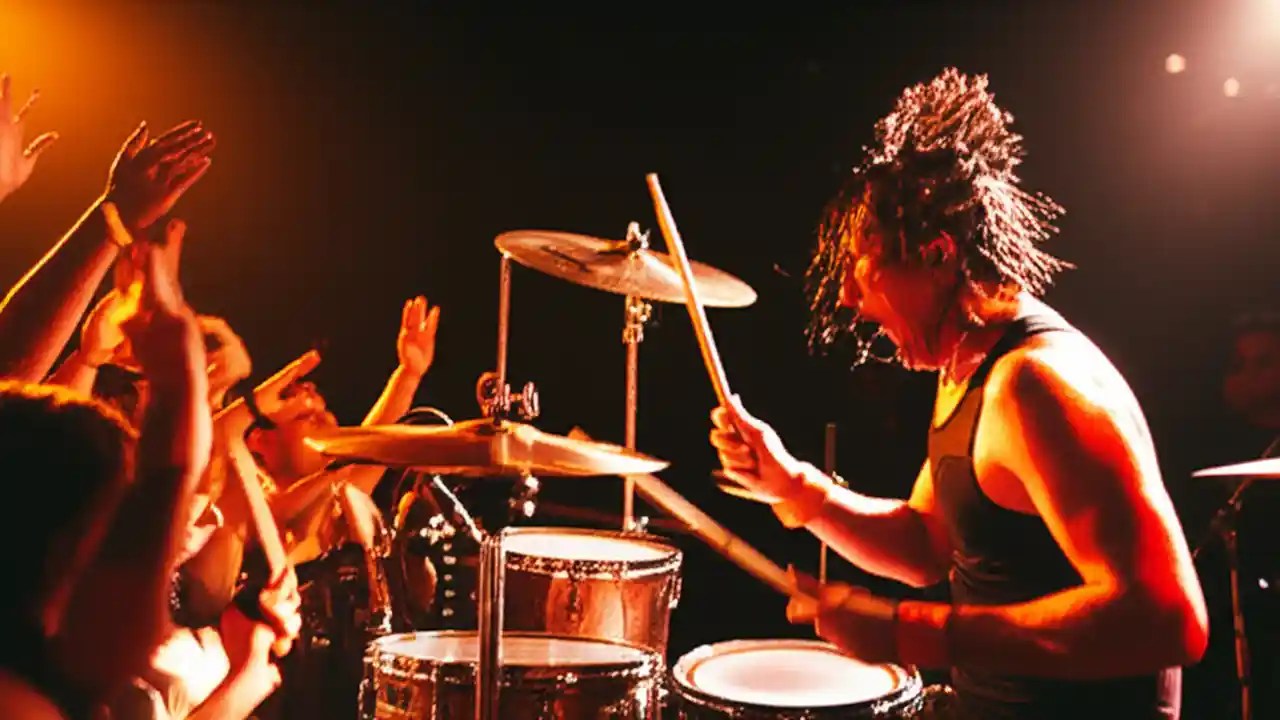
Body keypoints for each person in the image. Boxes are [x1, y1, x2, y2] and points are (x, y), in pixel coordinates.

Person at [708, 68, 1208, 719]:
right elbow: (928, 545)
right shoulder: (963, 366)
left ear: (938, 254)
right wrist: (794, 484)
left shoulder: (1036, 385)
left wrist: (909, 632)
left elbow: (1166, 620)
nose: (848, 300)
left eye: (866, 271)